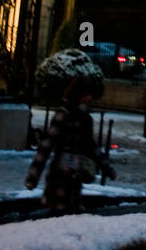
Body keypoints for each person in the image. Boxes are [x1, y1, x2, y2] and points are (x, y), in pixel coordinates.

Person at [25, 74, 115, 215]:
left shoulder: (85, 118)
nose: (90, 98)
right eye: (87, 94)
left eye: (91, 95)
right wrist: (33, 177)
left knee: (70, 214)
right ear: (78, 94)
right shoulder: (64, 115)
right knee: (58, 213)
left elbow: (90, 146)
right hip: (59, 176)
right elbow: (46, 147)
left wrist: (107, 167)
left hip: (75, 177)